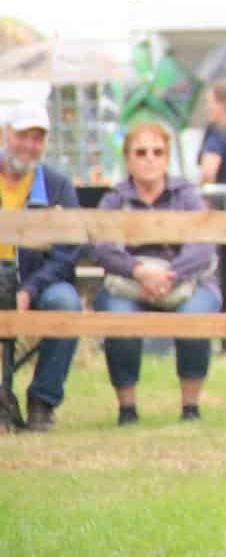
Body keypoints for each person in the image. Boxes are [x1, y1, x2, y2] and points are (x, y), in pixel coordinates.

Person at [93, 120, 221, 425]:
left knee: (196, 317)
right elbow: (101, 246)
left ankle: (190, 407)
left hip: (187, 281)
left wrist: (169, 276)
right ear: (127, 159)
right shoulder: (114, 199)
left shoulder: (187, 195)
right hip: (128, 283)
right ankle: (127, 409)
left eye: (157, 151)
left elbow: (204, 245)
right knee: (119, 318)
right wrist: (138, 270)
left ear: (166, 158)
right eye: (141, 152)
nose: (150, 158)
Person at [0, 101, 83, 431]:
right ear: (6, 135)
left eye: (38, 139)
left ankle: (42, 401)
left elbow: (68, 251)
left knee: (67, 304)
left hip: (39, 278)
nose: (29, 146)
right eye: (23, 136)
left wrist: (29, 289)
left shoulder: (57, 185)